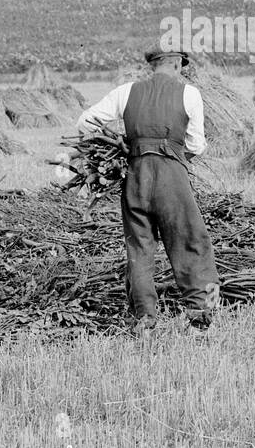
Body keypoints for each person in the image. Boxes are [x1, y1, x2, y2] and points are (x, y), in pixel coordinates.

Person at [75, 49, 220, 332]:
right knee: (192, 240)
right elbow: (197, 145)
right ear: (178, 65)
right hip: (171, 177)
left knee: (139, 248)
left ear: (152, 66)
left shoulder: (126, 91)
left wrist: (119, 143)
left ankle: (145, 317)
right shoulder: (190, 93)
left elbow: (85, 122)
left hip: (135, 176)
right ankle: (202, 312)